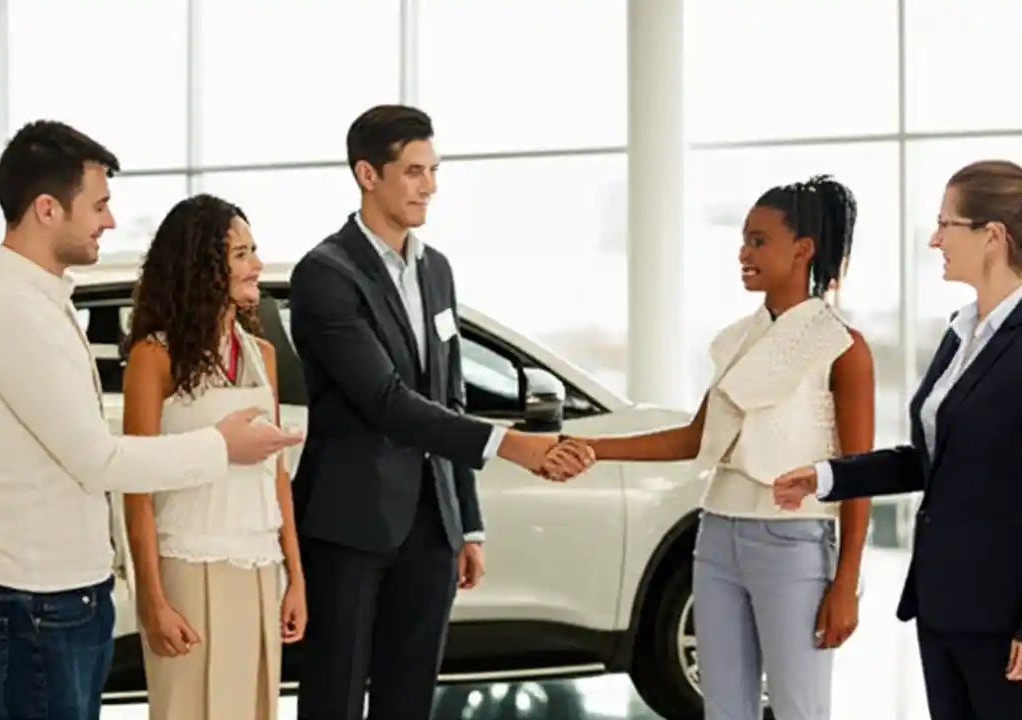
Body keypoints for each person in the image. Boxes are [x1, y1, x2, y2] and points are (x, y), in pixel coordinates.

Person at [0, 120, 302, 720]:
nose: (109, 221)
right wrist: (221, 446)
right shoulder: (13, 314)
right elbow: (99, 460)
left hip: (63, 596)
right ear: (47, 209)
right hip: (34, 600)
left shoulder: (44, 304)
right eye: (100, 204)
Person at [287, 104, 592, 720]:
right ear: (367, 174)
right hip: (350, 523)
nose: (430, 186)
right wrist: (511, 443)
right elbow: (386, 402)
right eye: (413, 171)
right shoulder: (325, 274)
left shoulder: (437, 270)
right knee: (335, 696)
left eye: (433, 170)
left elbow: (447, 395)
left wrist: (465, 522)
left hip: (430, 526)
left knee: (410, 697)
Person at [569, 175, 875, 720]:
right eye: (743, 239)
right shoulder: (739, 340)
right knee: (723, 711)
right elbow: (694, 439)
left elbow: (857, 474)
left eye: (759, 241)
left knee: (799, 709)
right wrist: (591, 447)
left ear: (802, 250)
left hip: (795, 543)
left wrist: (847, 580)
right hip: (716, 537)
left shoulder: (843, 348)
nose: (743, 253)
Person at [774, 160, 1022, 720]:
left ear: (993, 237)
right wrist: (827, 476)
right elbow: (930, 460)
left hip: (1004, 621)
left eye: (946, 224)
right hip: (942, 606)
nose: (934, 239)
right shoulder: (961, 333)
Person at [121, 194, 305, 720]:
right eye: (242, 254)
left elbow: (277, 477)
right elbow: (137, 488)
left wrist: (296, 577)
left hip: (257, 565)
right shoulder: (153, 357)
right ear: (204, 267)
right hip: (186, 568)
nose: (256, 266)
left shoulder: (261, 354)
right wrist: (151, 600)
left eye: (253, 251)